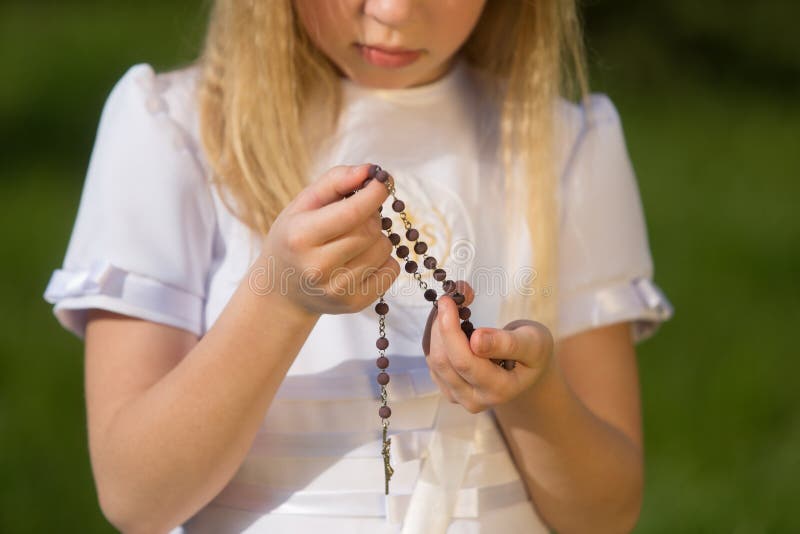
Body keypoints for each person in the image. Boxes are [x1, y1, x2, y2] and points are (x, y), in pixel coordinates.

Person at [43, 1, 674, 532]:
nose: (393, 11)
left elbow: (607, 512)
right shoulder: (175, 131)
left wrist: (535, 400)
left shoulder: (563, 148)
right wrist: (281, 301)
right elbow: (135, 498)